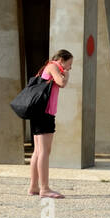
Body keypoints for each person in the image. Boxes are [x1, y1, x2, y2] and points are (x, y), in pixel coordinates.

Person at [27, 49, 73, 200]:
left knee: (38, 151)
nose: (69, 68)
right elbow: (61, 83)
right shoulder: (53, 66)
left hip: (39, 113)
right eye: (68, 64)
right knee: (45, 151)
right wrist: (66, 74)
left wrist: (64, 73)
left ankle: (34, 186)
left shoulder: (47, 68)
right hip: (45, 114)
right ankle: (45, 188)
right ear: (61, 60)